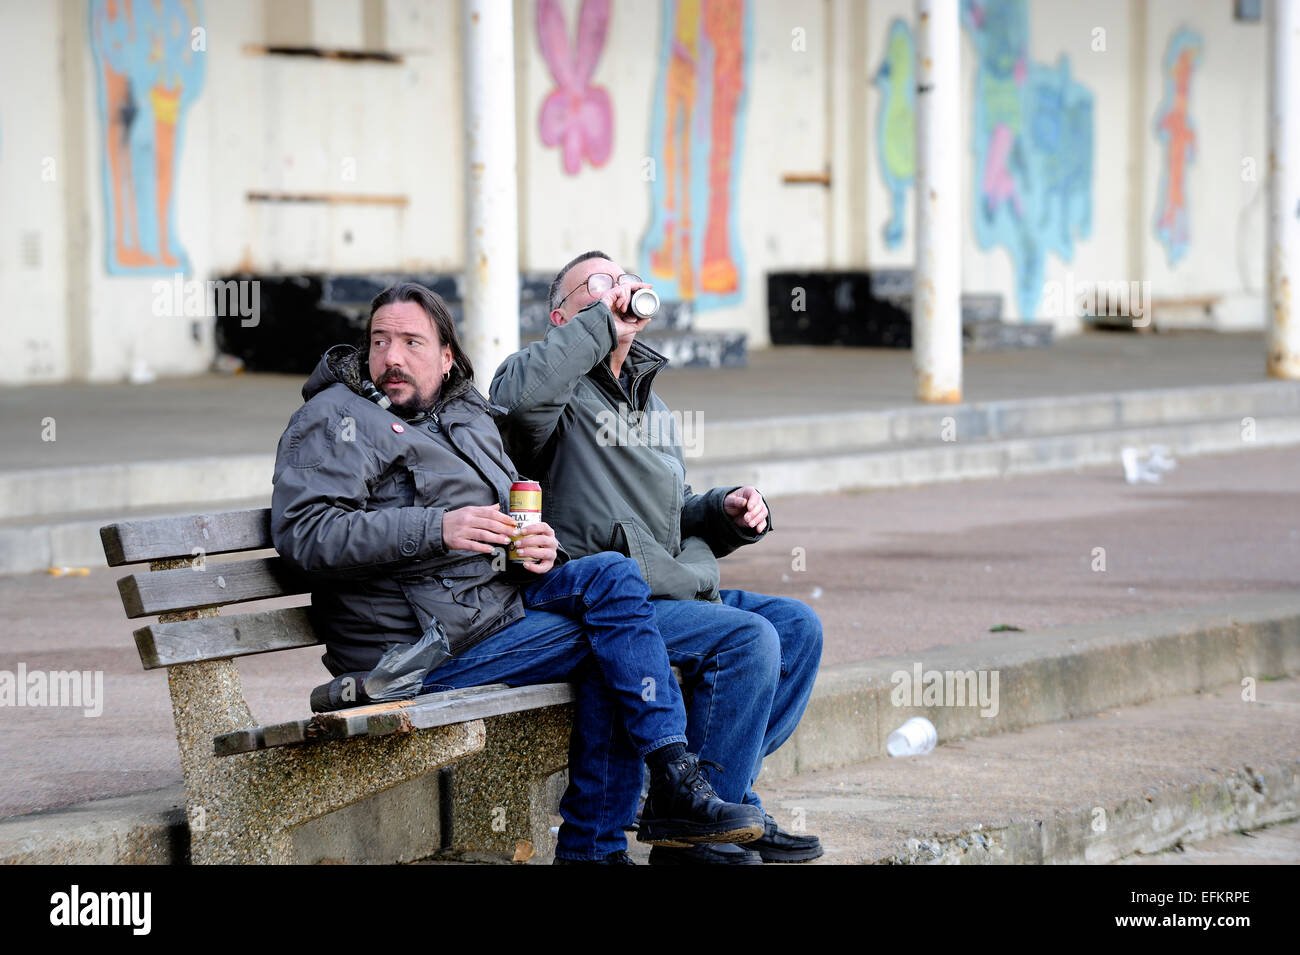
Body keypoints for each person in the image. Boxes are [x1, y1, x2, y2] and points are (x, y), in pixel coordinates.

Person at [270, 281, 765, 864]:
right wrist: (436, 528)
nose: (392, 357)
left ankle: (663, 789)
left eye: (411, 342)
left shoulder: (465, 413)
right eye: (380, 341)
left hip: (489, 609)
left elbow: (504, 519)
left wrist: (537, 550)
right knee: (613, 647)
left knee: (610, 578)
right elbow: (303, 534)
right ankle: (611, 835)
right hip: (415, 647)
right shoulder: (334, 418)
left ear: (446, 355)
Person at [490, 251, 825, 865]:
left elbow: (670, 515)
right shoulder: (550, 394)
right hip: (604, 598)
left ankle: (711, 806)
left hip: (668, 586)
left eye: (622, 278)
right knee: (750, 641)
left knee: (798, 629)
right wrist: (599, 327)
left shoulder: (653, 407)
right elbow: (513, 399)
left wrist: (724, 511)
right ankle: (709, 829)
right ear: (562, 317)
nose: (618, 289)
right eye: (597, 284)